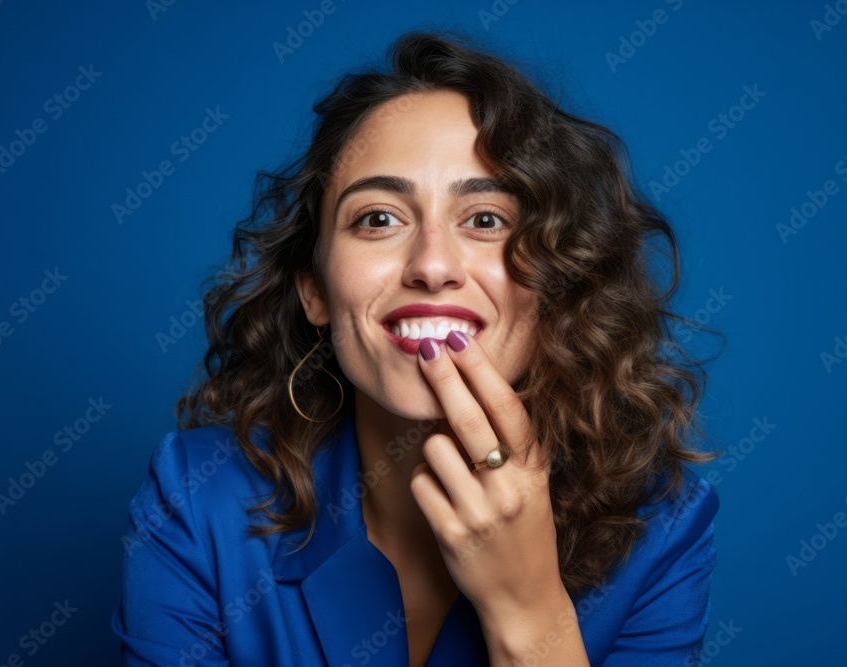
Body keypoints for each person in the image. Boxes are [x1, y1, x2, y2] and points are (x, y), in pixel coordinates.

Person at [111, 29, 724, 667]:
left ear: (557, 284)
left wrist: (528, 610)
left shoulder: (664, 529)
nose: (432, 265)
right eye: (378, 219)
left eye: (486, 220)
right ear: (315, 290)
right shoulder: (196, 498)